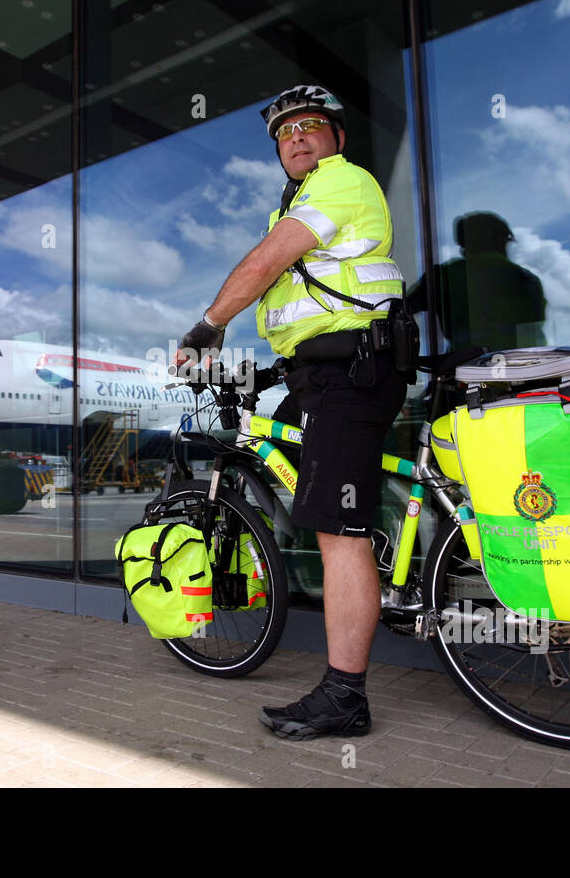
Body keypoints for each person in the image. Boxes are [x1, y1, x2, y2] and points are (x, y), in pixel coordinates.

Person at [173, 84, 407, 739]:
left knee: (339, 533)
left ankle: (345, 697)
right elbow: (316, 308)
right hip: (330, 374)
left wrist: (208, 326)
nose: (297, 137)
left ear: (335, 137)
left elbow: (266, 263)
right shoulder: (301, 203)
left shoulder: (341, 182)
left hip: (351, 377)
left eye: (310, 126)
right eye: (285, 132)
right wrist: (280, 368)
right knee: (331, 509)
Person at [407, 211, 546, 353]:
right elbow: (534, 335)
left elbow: (402, 310)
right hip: (519, 370)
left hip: (460, 368)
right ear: (499, 240)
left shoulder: (442, 276)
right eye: (506, 240)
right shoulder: (526, 280)